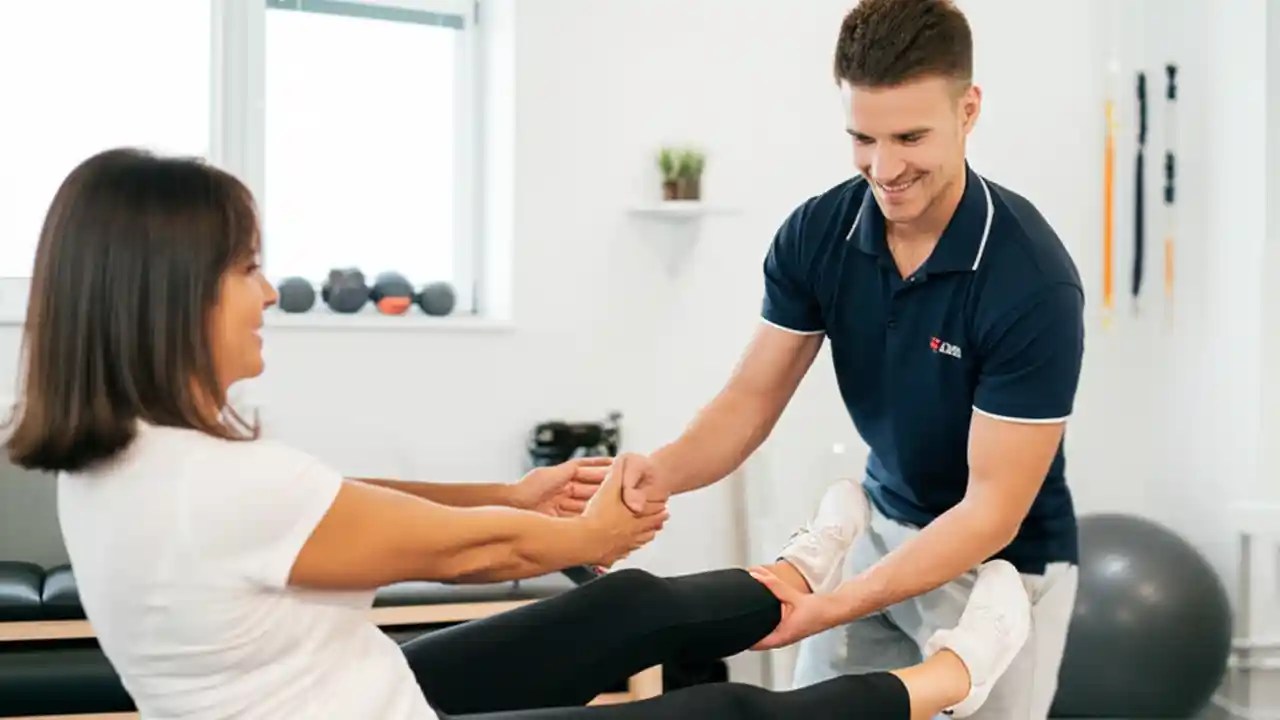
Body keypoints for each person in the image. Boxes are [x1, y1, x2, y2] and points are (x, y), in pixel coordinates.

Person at [3, 147, 1033, 719]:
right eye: (247, 269)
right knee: (712, 717)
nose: (269, 291)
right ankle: (948, 678)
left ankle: (790, 576)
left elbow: (336, 503)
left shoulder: (138, 458)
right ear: (169, 296)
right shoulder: (205, 487)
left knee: (619, 608)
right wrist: (577, 532)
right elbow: (473, 557)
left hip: (352, 690)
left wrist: (509, 494)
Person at [615, 0, 1086, 716]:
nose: (884, 168)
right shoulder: (818, 234)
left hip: (1002, 568)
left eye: (910, 137)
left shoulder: (1030, 282)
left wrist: (834, 603)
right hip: (883, 526)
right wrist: (660, 475)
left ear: (968, 111)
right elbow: (750, 399)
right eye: (863, 138)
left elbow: (991, 510)